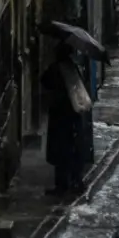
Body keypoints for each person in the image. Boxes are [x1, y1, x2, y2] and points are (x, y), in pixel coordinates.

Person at [41, 42, 86, 195]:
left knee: (60, 150)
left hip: (60, 115)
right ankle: (76, 180)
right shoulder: (73, 67)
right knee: (73, 147)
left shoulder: (56, 69)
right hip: (73, 113)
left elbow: (44, 81)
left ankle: (62, 185)